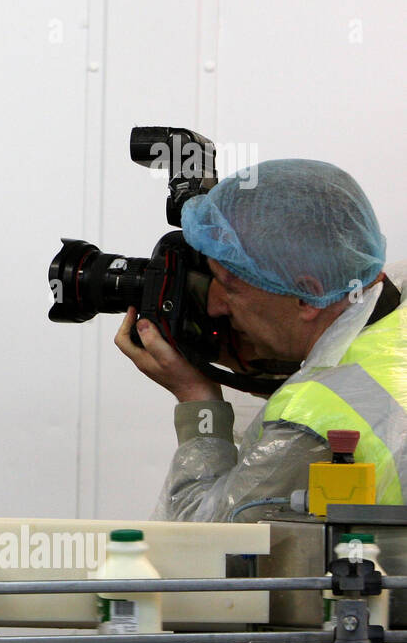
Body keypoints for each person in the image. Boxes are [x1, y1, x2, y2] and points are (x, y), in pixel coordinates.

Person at [115, 159, 407, 522]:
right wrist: (271, 368)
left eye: (231, 287)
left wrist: (198, 399)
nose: (216, 305)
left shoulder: (311, 420)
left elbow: (207, 542)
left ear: (305, 297)